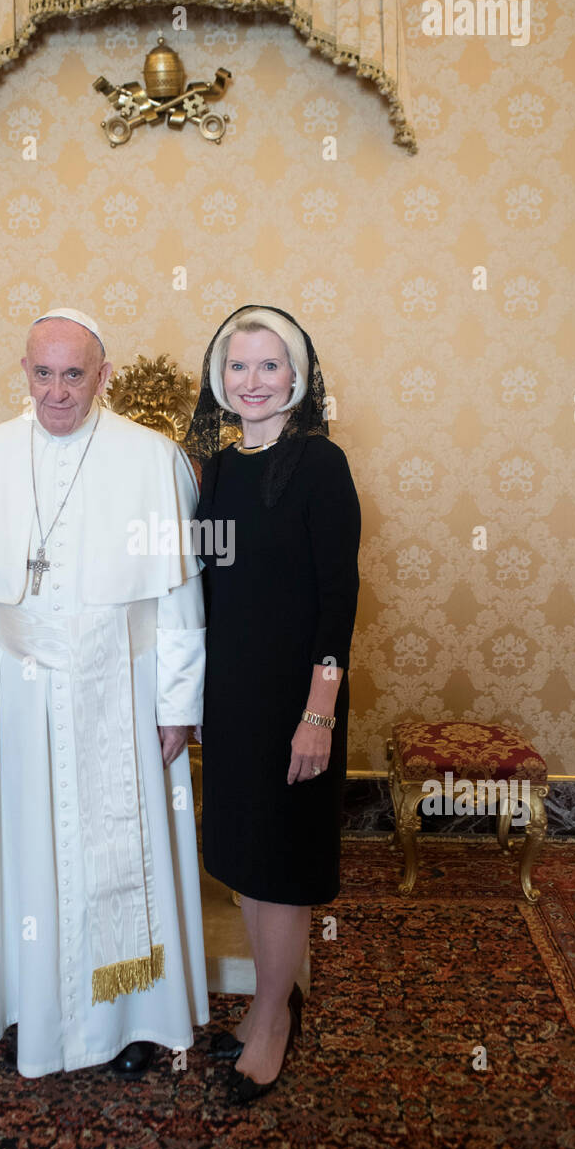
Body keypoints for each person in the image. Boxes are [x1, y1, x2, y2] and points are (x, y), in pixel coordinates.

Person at [0, 308, 209, 1079]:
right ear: (23, 372)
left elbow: (179, 597)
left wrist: (179, 702)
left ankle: (133, 1020)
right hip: (22, 693)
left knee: (134, 857)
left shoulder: (152, 459)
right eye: (43, 373)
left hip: (122, 688)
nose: (58, 392)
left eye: (74, 374)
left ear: (103, 375)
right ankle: (36, 1008)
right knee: (31, 860)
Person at [184, 305, 361, 1105]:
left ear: (297, 377)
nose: (250, 383)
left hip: (298, 699)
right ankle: (271, 996)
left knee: (283, 869)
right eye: (237, 367)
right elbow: (202, 590)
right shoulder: (216, 471)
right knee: (249, 861)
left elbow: (338, 600)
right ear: (220, 380)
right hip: (231, 697)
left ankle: (272, 1023)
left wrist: (319, 711)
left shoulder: (320, 465)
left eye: (268, 367)